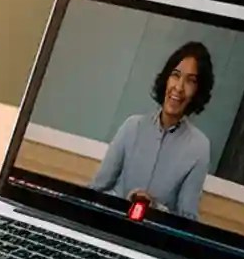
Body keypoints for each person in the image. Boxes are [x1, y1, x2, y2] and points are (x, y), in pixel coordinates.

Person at [89, 41, 215, 221]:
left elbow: (186, 220)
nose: (178, 87)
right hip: (110, 223)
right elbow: (96, 190)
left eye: (190, 81)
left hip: (153, 238)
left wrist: (154, 208)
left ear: (198, 91)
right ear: (166, 79)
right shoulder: (132, 126)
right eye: (175, 75)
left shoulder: (199, 147)